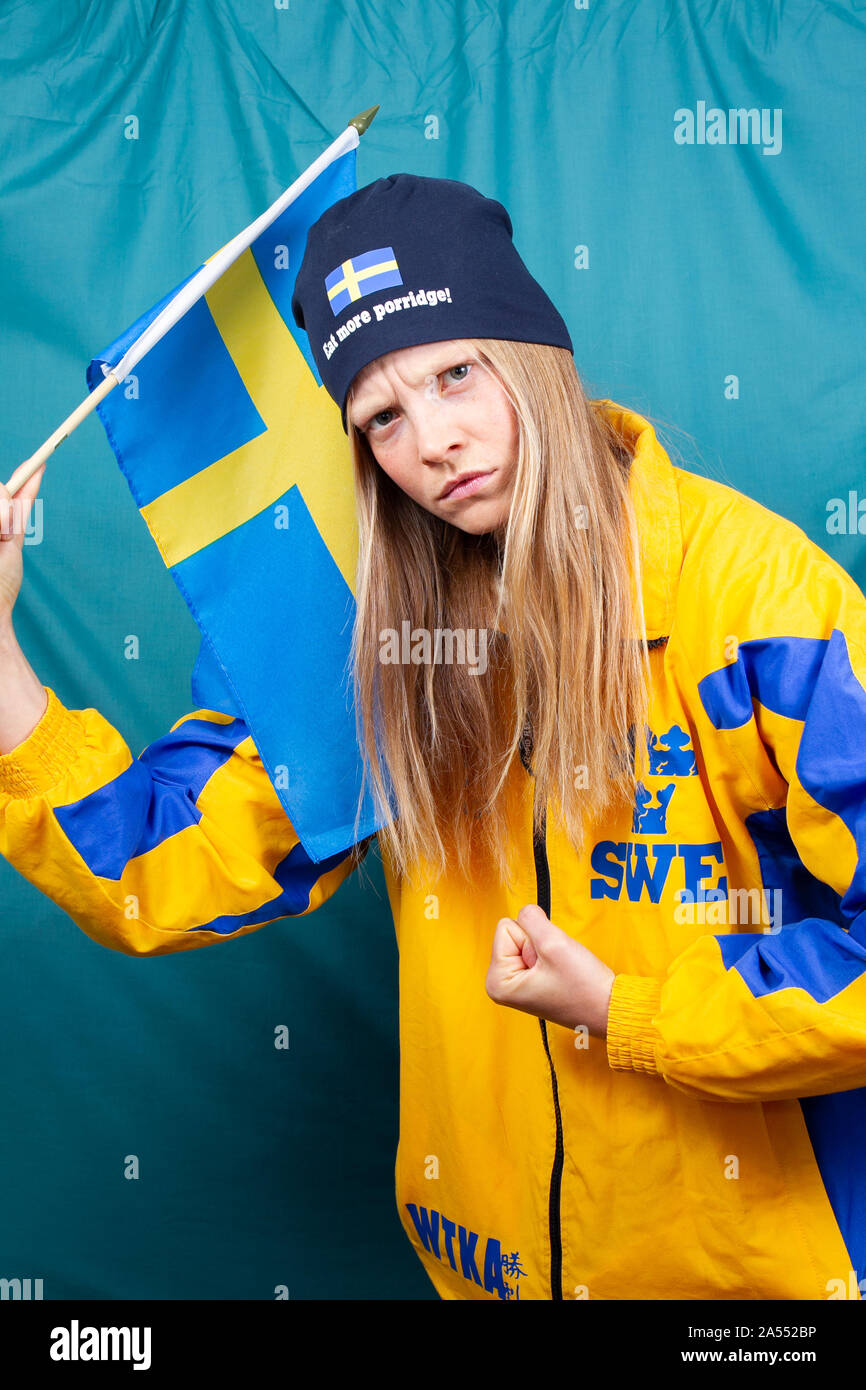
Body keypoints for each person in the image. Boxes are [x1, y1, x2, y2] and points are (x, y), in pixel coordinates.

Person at [1, 172, 866, 1302]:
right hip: (491, 1273)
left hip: (751, 1289)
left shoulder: (756, 595)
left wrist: (625, 1013)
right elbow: (153, 873)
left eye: (457, 373)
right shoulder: (372, 642)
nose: (435, 442)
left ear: (533, 357)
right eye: (381, 418)